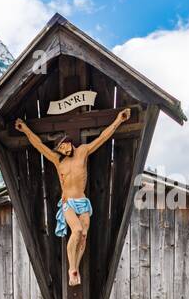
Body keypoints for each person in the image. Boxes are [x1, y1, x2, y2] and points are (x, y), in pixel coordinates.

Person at [14, 107, 131, 286]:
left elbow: (103, 138)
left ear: (69, 143)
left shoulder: (83, 151)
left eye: (63, 146)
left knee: (83, 235)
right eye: (60, 148)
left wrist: (119, 120)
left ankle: (75, 269)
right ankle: (71, 269)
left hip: (82, 202)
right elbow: (38, 145)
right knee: (76, 230)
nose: (62, 150)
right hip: (68, 203)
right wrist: (25, 129)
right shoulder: (58, 159)